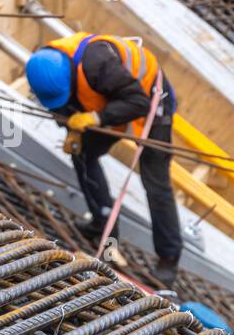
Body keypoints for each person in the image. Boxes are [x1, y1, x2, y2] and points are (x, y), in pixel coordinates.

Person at [25, 32, 182, 287]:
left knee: (156, 183)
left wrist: (96, 119)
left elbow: (138, 103)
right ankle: (102, 223)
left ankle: (168, 257)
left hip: (149, 97)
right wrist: (74, 131)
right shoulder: (47, 68)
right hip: (111, 98)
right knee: (83, 154)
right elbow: (62, 106)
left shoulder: (97, 65)